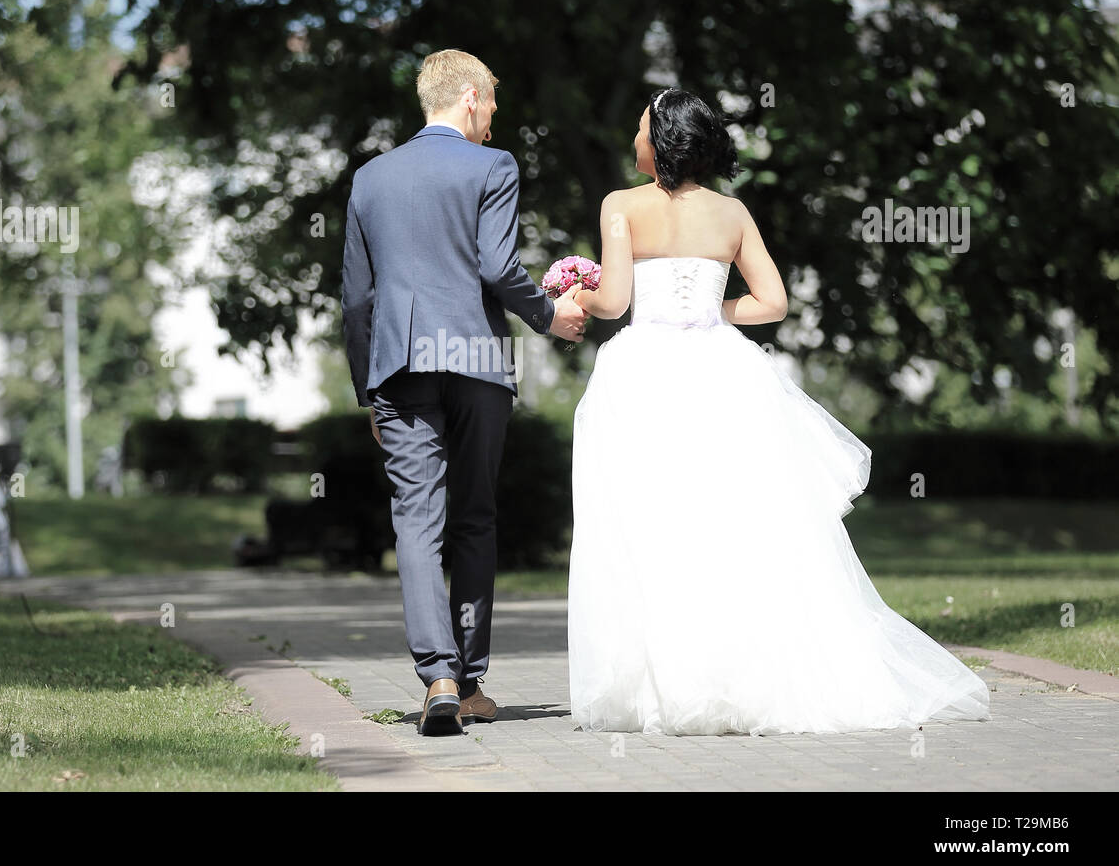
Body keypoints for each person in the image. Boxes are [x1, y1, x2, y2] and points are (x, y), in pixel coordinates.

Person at [566, 88, 991, 735]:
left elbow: (617, 296)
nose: (634, 134)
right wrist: (714, 313)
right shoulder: (731, 213)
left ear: (660, 142)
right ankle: (741, 675)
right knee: (733, 518)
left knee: (648, 518)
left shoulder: (621, 206)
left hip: (642, 372)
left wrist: (577, 293)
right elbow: (772, 301)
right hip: (720, 372)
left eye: (641, 124)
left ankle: (661, 682)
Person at [342, 49, 588, 735]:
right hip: (478, 358)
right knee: (475, 515)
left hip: (399, 364)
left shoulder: (369, 178)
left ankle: (438, 677)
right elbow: (495, 265)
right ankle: (472, 680)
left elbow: (357, 298)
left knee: (415, 519)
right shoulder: (494, 166)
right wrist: (548, 314)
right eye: (494, 106)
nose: (494, 119)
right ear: (473, 98)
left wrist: (369, 387)